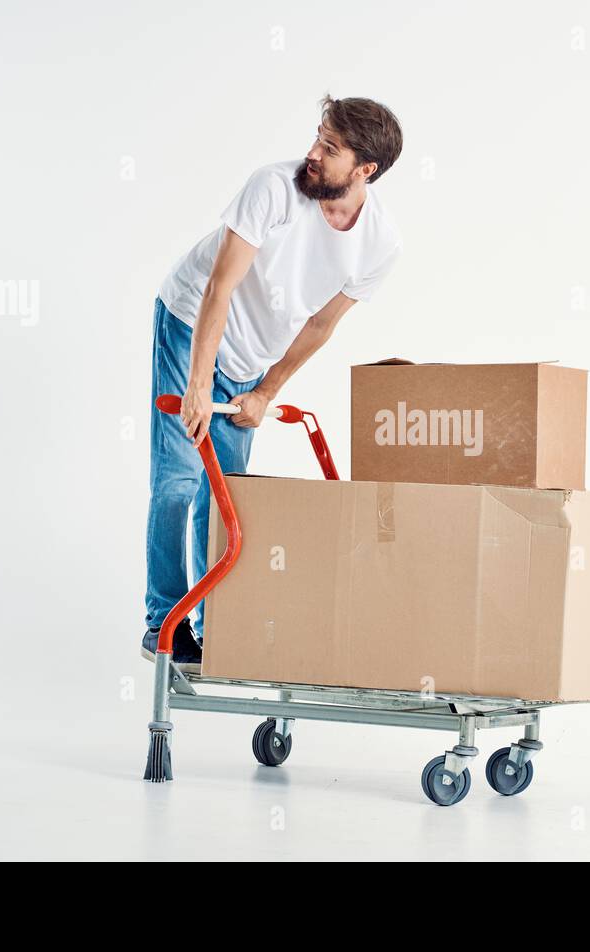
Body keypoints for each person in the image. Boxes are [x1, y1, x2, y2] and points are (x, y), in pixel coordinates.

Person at [142, 94, 404, 671]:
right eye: (317, 137)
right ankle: (164, 621)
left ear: (366, 171)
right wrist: (194, 385)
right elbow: (219, 288)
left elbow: (321, 323)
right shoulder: (273, 189)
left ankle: (219, 624)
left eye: (330, 149)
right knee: (182, 476)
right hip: (193, 320)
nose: (312, 153)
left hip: (255, 352)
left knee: (228, 493)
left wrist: (266, 391)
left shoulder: (379, 242)